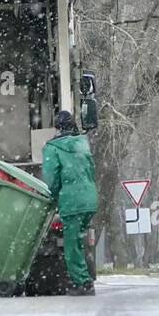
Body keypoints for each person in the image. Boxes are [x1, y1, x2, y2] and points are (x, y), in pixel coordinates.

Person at [42, 110, 98, 296]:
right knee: (79, 241)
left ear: (57, 127)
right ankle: (83, 278)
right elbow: (90, 169)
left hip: (72, 202)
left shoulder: (53, 148)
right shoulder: (83, 143)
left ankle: (83, 283)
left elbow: (51, 179)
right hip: (89, 199)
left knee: (71, 245)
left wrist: (52, 196)